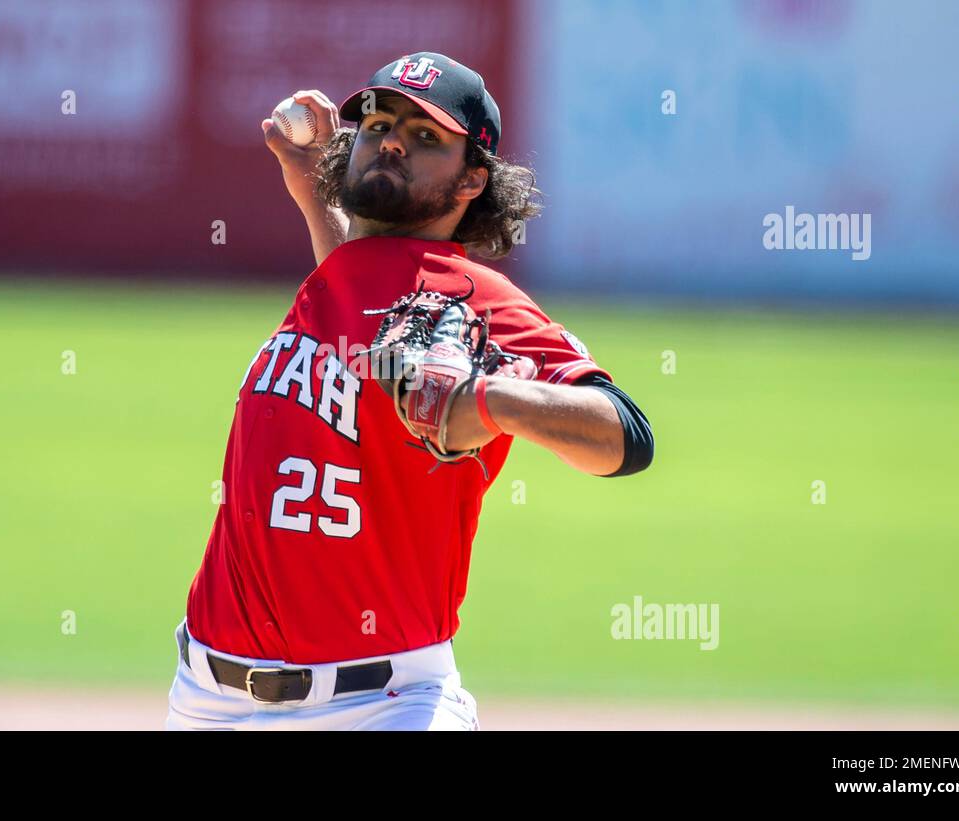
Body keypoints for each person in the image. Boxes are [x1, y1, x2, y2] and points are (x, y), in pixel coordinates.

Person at [166, 52, 653, 731]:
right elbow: (363, 305)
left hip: (379, 707)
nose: (391, 139)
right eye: (379, 124)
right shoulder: (345, 274)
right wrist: (314, 190)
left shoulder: (470, 296)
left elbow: (625, 434)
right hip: (207, 699)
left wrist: (489, 399)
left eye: (426, 136)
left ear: (471, 181)